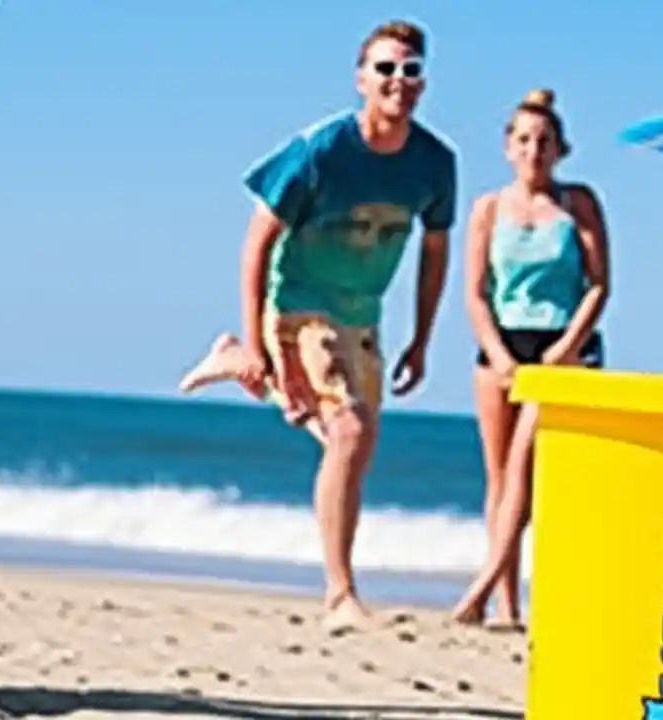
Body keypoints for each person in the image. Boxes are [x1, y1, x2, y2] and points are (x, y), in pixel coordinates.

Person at [176, 20, 456, 632]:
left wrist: (422, 338)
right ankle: (339, 595)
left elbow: (435, 253)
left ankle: (235, 360)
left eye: (410, 69)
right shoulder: (319, 151)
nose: (398, 80)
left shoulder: (435, 164)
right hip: (298, 305)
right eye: (385, 68)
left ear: (423, 82)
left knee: (351, 447)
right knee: (349, 432)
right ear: (361, 80)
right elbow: (257, 244)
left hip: (362, 317)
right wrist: (260, 340)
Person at [450, 89, 610, 629]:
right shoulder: (488, 209)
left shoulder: (577, 204)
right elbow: (475, 292)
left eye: (544, 141)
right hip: (503, 346)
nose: (533, 150)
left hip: (562, 347)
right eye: (523, 140)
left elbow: (599, 284)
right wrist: (498, 355)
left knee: (525, 467)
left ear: (560, 149)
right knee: (499, 477)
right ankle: (507, 605)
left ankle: (480, 588)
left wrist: (566, 348)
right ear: (507, 147)